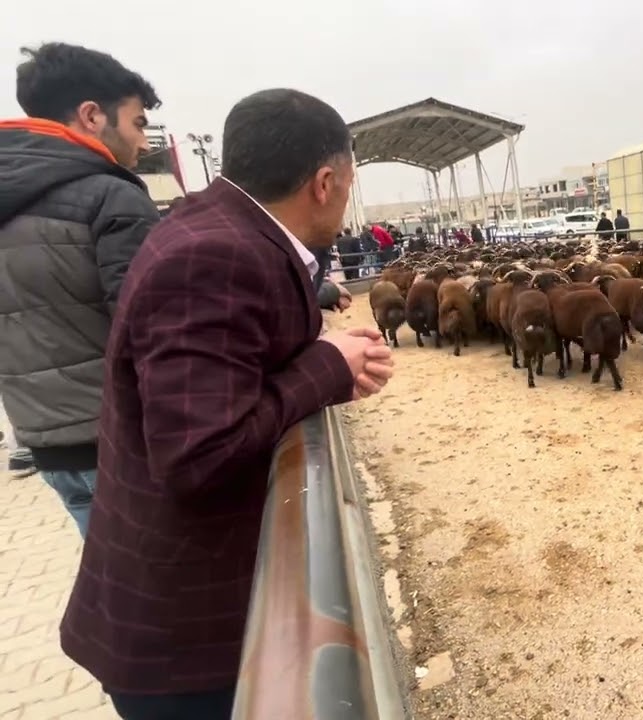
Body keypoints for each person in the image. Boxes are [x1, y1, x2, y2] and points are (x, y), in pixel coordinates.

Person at [60, 88, 395, 720]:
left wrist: (328, 369)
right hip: (183, 646)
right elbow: (199, 455)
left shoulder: (220, 229)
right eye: (348, 187)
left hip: (188, 619)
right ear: (325, 183)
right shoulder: (214, 255)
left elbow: (232, 374)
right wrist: (326, 366)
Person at [0, 43, 161, 536]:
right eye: (137, 124)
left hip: (48, 448)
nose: (143, 144)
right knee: (173, 601)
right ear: (92, 115)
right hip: (123, 449)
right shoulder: (110, 195)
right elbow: (151, 330)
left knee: (119, 591)